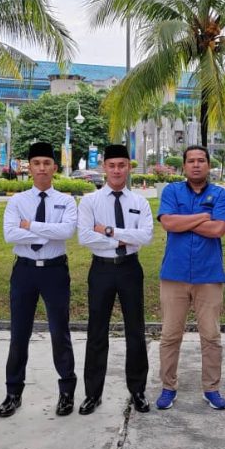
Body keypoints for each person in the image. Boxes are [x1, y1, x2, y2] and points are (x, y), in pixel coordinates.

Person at [0, 142, 78, 418]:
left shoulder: (66, 201)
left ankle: (67, 391)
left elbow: (66, 231)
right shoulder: (17, 201)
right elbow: (10, 235)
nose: (42, 168)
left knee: (60, 331)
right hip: (25, 271)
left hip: (55, 271)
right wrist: (48, 232)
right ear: (28, 167)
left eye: (47, 163)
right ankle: (12, 392)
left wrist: (29, 226)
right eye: (36, 163)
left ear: (55, 167)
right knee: (19, 332)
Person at [76, 144, 154, 415]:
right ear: (104, 168)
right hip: (102, 270)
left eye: (122, 165)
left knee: (135, 331)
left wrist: (107, 230)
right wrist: (123, 236)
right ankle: (92, 393)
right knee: (97, 332)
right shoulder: (90, 201)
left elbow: (145, 237)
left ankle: (138, 390)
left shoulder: (139, 202)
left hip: (130, 269)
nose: (117, 170)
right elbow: (85, 236)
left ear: (128, 167)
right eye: (112, 165)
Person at [156, 145, 225, 410]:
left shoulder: (220, 194)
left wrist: (184, 220)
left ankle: (211, 389)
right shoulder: (171, 191)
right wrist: (201, 216)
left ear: (208, 165)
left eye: (201, 160)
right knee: (169, 335)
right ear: (184, 166)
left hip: (209, 276)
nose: (196, 165)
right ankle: (168, 387)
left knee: (211, 336)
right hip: (174, 275)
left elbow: (218, 229)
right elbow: (168, 224)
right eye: (191, 161)